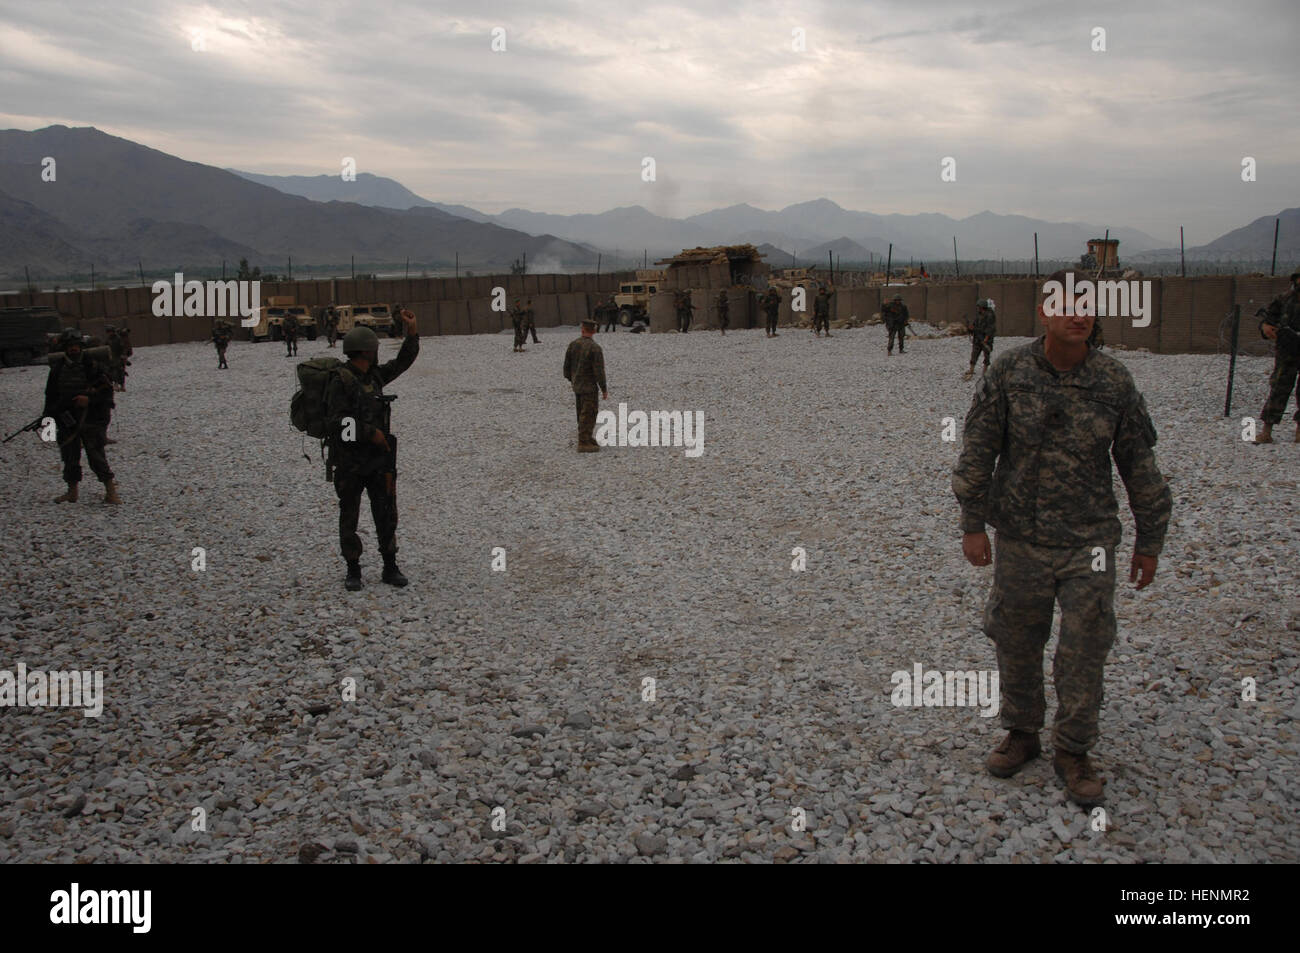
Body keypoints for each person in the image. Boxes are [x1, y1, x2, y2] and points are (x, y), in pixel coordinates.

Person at [951, 270, 1172, 808]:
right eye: (1069, 306)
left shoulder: (1113, 382)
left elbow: (1140, 465)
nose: (1081, 315)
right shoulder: (1009, 373)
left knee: (1084, 648)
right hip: (1021, 539)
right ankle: (1022, 732)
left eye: (1089, 306)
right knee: (1016, 638)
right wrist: (972, 524)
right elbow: (979, 451)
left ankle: (1073, 749)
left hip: (1089, 542)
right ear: (1045, 314)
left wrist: (1150, 540)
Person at [324, 313, 420, 591]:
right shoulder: (340, 381)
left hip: (379, 461)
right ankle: (353, 569)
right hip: (350, 463)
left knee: (386, 511)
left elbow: (402, 363)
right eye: (375, 349)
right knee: (349, 515)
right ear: (366, 351)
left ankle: (390, 565)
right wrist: (370, 433)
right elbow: (337, 424)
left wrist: (411, 332)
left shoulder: (374, 377)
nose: (377, 353)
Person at [45, 329, 120, 505]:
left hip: (91, 419)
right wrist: (49, 415)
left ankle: (111, 492)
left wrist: (89, 400)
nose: (73, 349)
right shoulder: (58, 370)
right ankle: (72, 492)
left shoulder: (93, 367)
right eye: (70, 346)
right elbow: (50, 395)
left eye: (76, 346)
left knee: (96, 457)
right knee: (69, 456)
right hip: (67, 419)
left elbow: (107, 394)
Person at [1253, 268, 1300, 444]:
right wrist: (1266, 328)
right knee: (1279, 388)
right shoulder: (1283, 299)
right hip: (1287, 352)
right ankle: (1267, 429)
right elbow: (1268, 321)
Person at [563, 315, 608, 452]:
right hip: (589, 387)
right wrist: (604, 389)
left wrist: (573, 379)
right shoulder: (595, 348)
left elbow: (566, 367)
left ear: (582, 329)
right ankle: (583, 442)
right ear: (593, 331)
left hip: (577, 385)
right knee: (589, 413)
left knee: (580, 412)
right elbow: (599, 371)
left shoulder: (573, 344)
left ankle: (586, 437)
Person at [963, 298, 997, 380]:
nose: (977, 308)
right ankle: (971, 370)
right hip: (978, 338)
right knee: (974, 354)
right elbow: (975, 324)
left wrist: (986, 338)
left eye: (979, 306)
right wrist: (971, 328)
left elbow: (990, 328)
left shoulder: (990, 315)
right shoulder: (978, 314)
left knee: (986, 355)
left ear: (982, 307)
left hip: (986, 338)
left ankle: (985, 372)